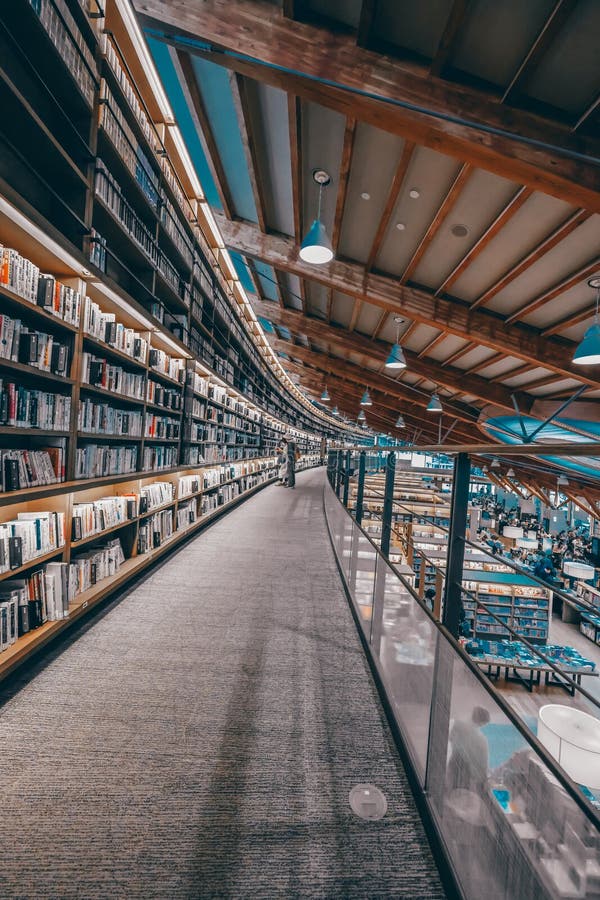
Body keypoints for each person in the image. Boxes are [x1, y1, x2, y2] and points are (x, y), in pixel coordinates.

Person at [447, 706, 491, 793]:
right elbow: (482, 762)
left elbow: (451, 739)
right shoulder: (480, 739)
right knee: (458, 793)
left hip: (454, 762)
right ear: (481, 723)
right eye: (483, 724)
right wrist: (483, 778)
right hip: (464, 769)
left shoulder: (457, 723)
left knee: (450, 789)